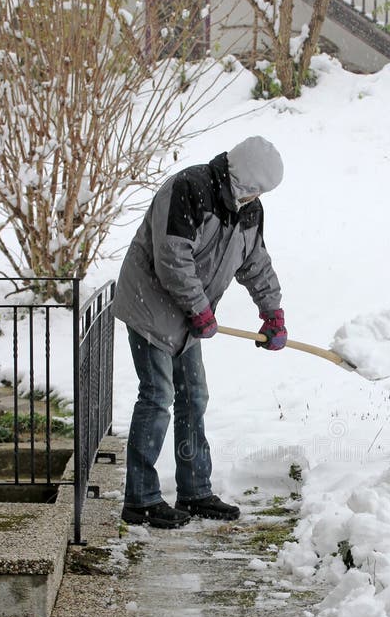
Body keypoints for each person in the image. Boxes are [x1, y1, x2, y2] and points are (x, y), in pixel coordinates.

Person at [112, 136, 286, 528]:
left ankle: (194, 491)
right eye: (253, 187)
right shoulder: (189, 189)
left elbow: (254, 261)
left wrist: (272, 311)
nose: (256, 196)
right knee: (158, 397)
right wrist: (200, 309)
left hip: (188, 315)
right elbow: (172, 256)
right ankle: (140, 499)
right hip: (150, 305)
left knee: (194, 397)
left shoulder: (249, 209)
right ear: (238, 175)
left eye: (261, 192)